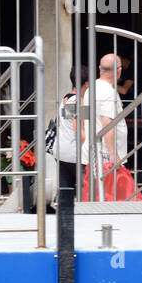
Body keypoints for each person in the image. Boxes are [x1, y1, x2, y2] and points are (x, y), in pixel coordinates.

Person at [55, 66, 88, 205]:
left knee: (65, 189)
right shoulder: (78, 101)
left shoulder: (66, 98)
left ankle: (63, 219)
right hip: (74, 153)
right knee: (84, 190)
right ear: (86, 83)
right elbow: (77, 127)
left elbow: (68, 123)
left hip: (61, 150)